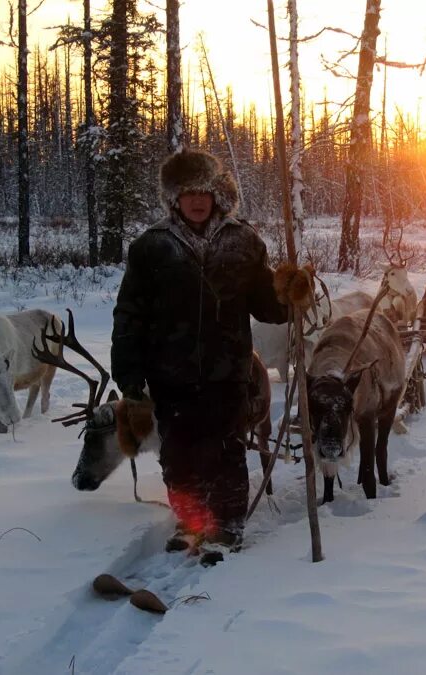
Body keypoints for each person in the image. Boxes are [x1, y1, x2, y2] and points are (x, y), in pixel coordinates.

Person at [111, 149, 304, 564]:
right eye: (188, 193)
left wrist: (289, 292)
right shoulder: (151, 247)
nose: (197, 200)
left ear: (217, 194)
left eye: (204, 191)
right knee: (178, 454)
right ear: (173, 199)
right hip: (170, 373)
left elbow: (266, 305)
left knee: (226, 451)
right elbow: (130, 314)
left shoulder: (243, 240)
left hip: (227, 370)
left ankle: (227, 525)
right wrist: (128, 372)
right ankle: (191, 521)